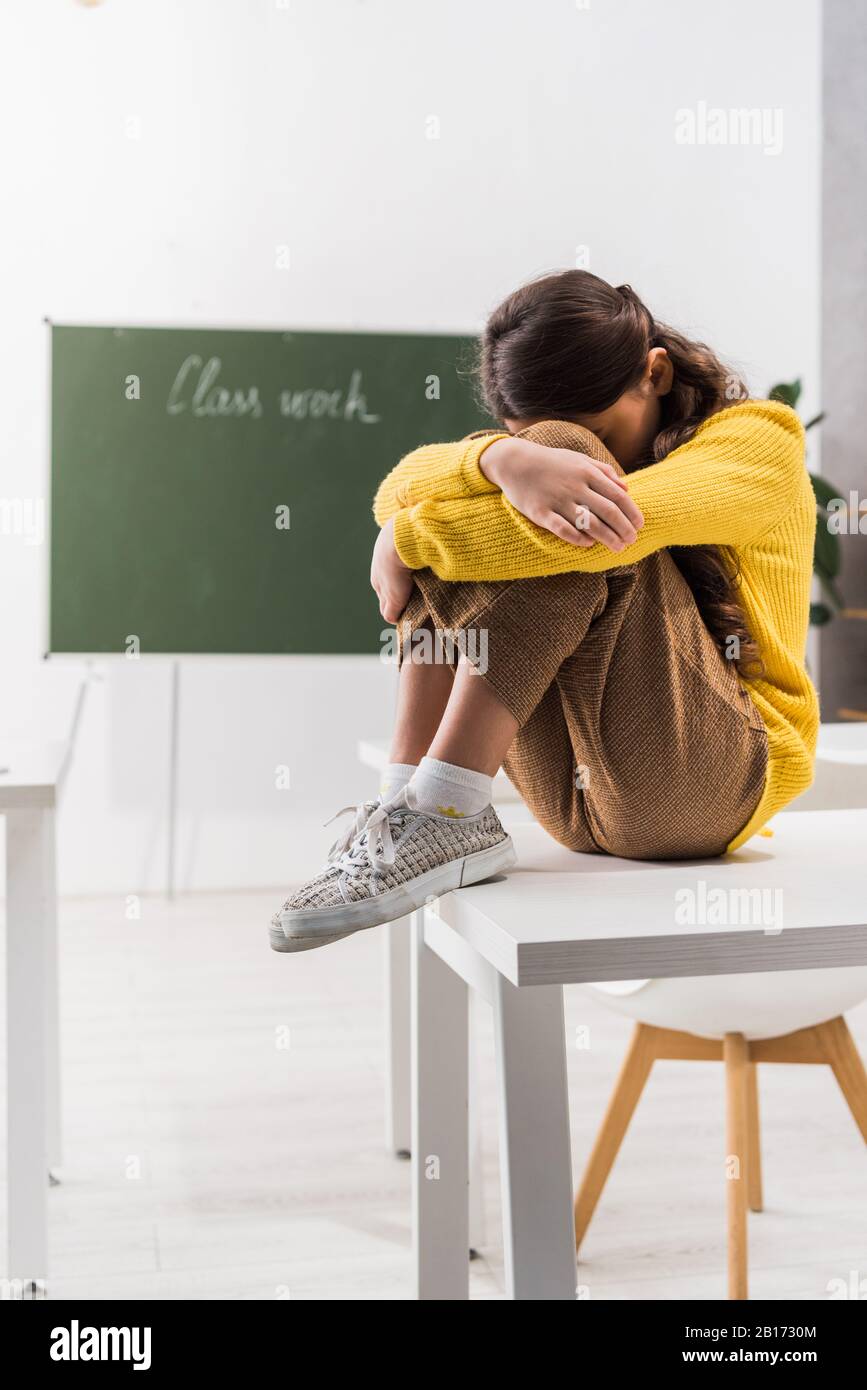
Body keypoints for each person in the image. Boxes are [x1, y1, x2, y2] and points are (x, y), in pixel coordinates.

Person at [270, 270, 818, 953]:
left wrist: (403, 538)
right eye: (513, 435)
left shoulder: (761, 441)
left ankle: (447, 804)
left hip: (715, 781)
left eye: (602, 423)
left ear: (654, 372)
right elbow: (396, 489)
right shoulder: (525, 448)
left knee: (565, 472)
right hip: (577, 802)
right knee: (525, 478)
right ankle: (411, 802)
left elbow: (601, 527)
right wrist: (498, 460)